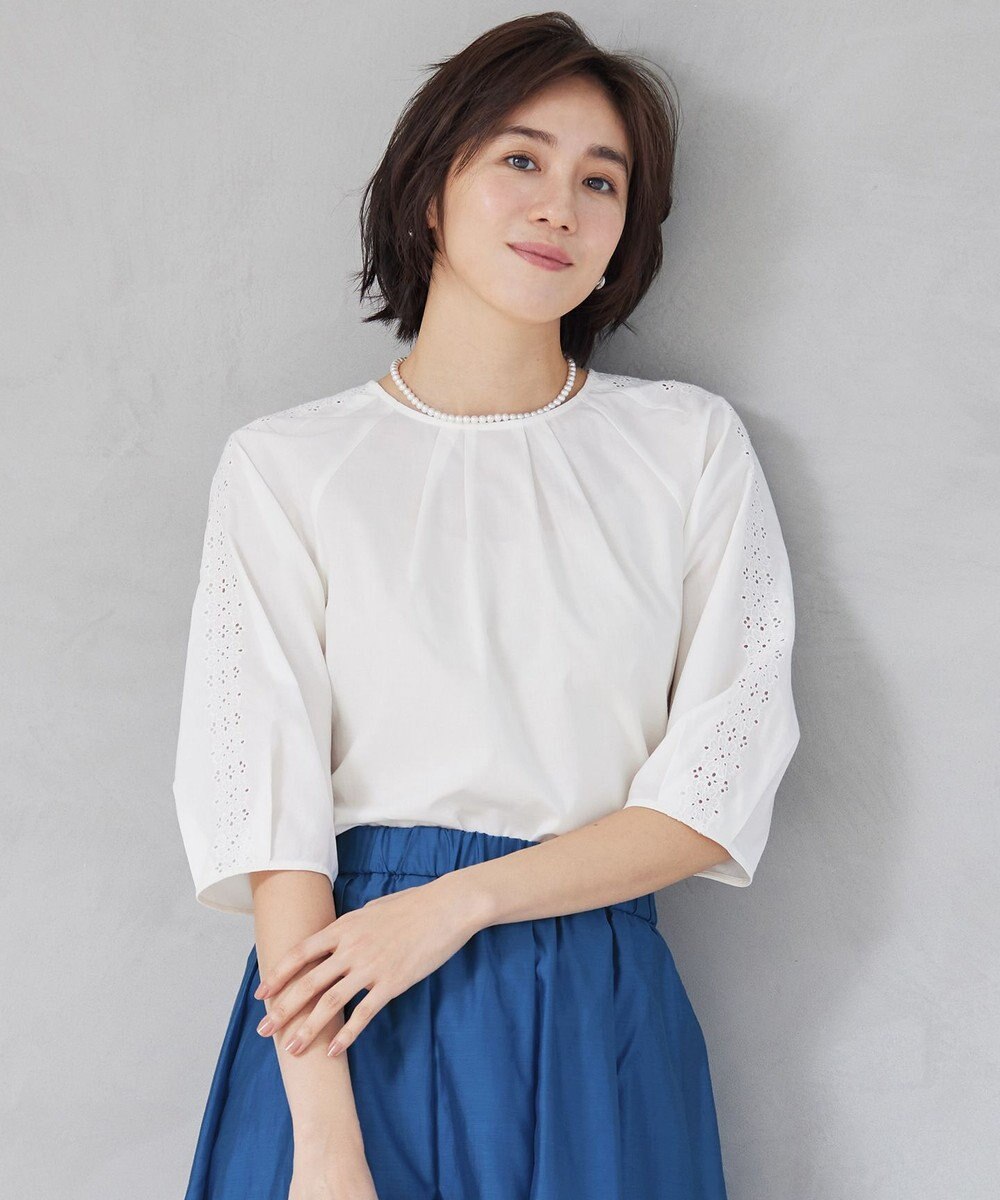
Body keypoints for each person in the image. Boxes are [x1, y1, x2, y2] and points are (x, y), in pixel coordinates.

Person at [172, 12, 801, 1200]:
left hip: (595, 1001)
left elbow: (715, 788)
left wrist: (459, 905)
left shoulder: (686, 447)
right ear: (429, 192)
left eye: (599, 180)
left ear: (624, 232)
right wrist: (324, 1146)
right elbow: (267, 816)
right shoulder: (287, 466)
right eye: (521, 159)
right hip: (344, 1004)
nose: (559, 206)